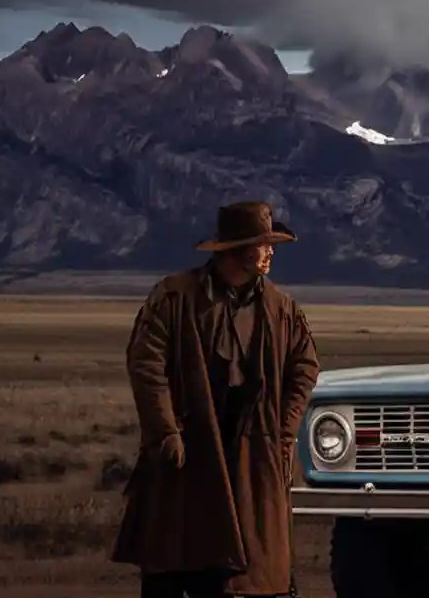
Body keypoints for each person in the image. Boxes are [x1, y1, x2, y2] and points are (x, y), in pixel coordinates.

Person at [112, 201, 321, 597]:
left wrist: (284, 430)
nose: (271, 252)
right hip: (190, 447)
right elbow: (146, 364)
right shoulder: (176, 298)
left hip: (254, 450)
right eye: (263, 244)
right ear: (239, 250)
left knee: (252, 565)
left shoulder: (281, 309)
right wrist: (165, 430)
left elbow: (305, 366)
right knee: (175, 559)